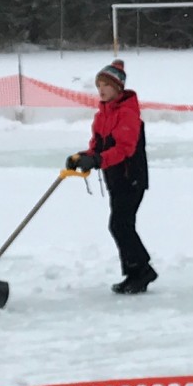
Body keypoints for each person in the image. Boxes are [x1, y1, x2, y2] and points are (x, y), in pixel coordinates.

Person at [66, 58, 154, 294]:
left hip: (131, 178)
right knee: (120, 225)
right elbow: (97, 146)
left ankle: (142, 271)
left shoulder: (128, 114)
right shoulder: (101, 116)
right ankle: (136, 273)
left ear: (118, 88)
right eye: (99, 85)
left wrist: (97, 160)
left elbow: (124, 149)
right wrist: (82, 157)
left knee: (120, 225)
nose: (101, 90)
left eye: (106, 85)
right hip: (115, 179)